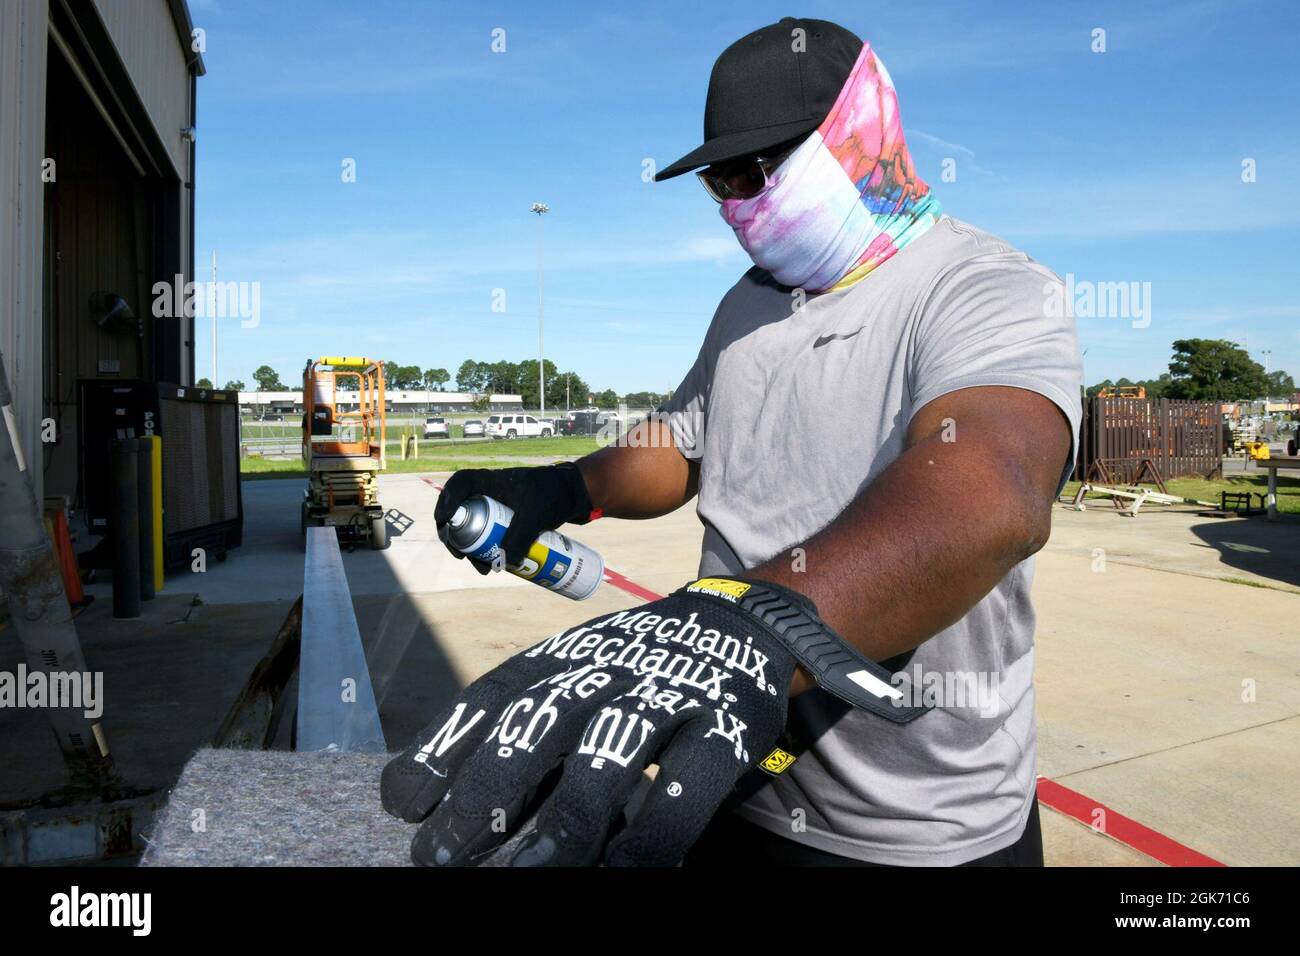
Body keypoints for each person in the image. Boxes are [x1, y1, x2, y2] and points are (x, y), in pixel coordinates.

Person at [381, 17, 1081, 867]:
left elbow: (989, 492)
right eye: (722, 179)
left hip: (916, 828)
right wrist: (565, 487)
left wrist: (744, 621)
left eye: (761, 168)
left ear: (861, 135)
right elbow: (679, 445)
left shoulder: (984, 288)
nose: (740, 201)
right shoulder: (749, 302)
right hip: (725, 770)